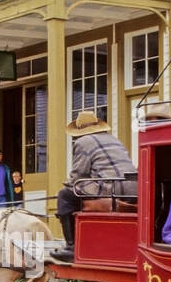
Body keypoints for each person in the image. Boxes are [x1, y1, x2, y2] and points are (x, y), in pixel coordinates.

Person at [52, 111, 137, 262]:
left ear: (79, 131)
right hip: (135, 188)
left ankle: (71, 247)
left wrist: (69, 185)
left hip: (112, 187)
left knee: (65, 195)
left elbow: (79, 174)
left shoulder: (83, 142)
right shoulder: (114, 140)